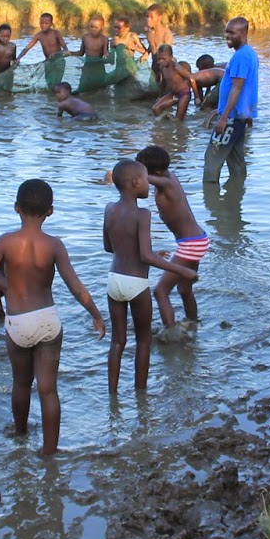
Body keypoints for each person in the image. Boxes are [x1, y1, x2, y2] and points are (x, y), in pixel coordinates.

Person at [0, 179, 106, 456]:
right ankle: (50, 451)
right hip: (48, 320)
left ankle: (20, 432)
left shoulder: (5, 242)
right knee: (48, 390)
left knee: (21, 383)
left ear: (16, 208)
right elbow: (76, 286)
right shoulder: (55, 245)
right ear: (50, 211)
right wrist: (96, 315)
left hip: (18, 324)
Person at [103, 161, 194, 394]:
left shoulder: (109, 209)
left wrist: (150, 254)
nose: (147, 185)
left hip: (114, 281)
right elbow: (145, 257)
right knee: (144, 341)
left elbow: (108, 247)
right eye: (145, 180)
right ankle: (140, 395)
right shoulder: (142, 214)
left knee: (117, 341)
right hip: (136, 284)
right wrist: (182, 270)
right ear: (135, 182)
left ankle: (112, 394)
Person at [136, 145, 206, 328]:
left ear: (157, 172)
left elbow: (141, 178)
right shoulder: (168, 176)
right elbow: (145, 177)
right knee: (184, 288)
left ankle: (172, 333)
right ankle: (193, 323)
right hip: (196, 240)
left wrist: (119, 174)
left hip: (191, 244)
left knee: (160, 291)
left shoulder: (166, 183)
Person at [204, 18, 258, 186]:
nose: (227, 36)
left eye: (231, 32)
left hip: (232, 118)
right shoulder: (249, 53)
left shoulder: (240, 57)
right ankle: (235, 198)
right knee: (236, 160)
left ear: (243, 33)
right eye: (226, 31)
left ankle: (210, 200)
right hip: (239, 116)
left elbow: (237, 88)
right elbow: (249, 86)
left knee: (212, 157)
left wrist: (224, 117)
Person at [151, 49, 196, 119]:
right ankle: (166, 124)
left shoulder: (176, 68)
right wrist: (160, 96)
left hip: (184, 94)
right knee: (156, 108)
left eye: (163, 59)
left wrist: (197, 97)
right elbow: (163, 82)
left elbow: (191, 79)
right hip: (173, 94)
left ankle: (177, 126)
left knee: (178, 120)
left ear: (171, 57)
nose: (160, 61)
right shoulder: (162, 67)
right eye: (159, 59)